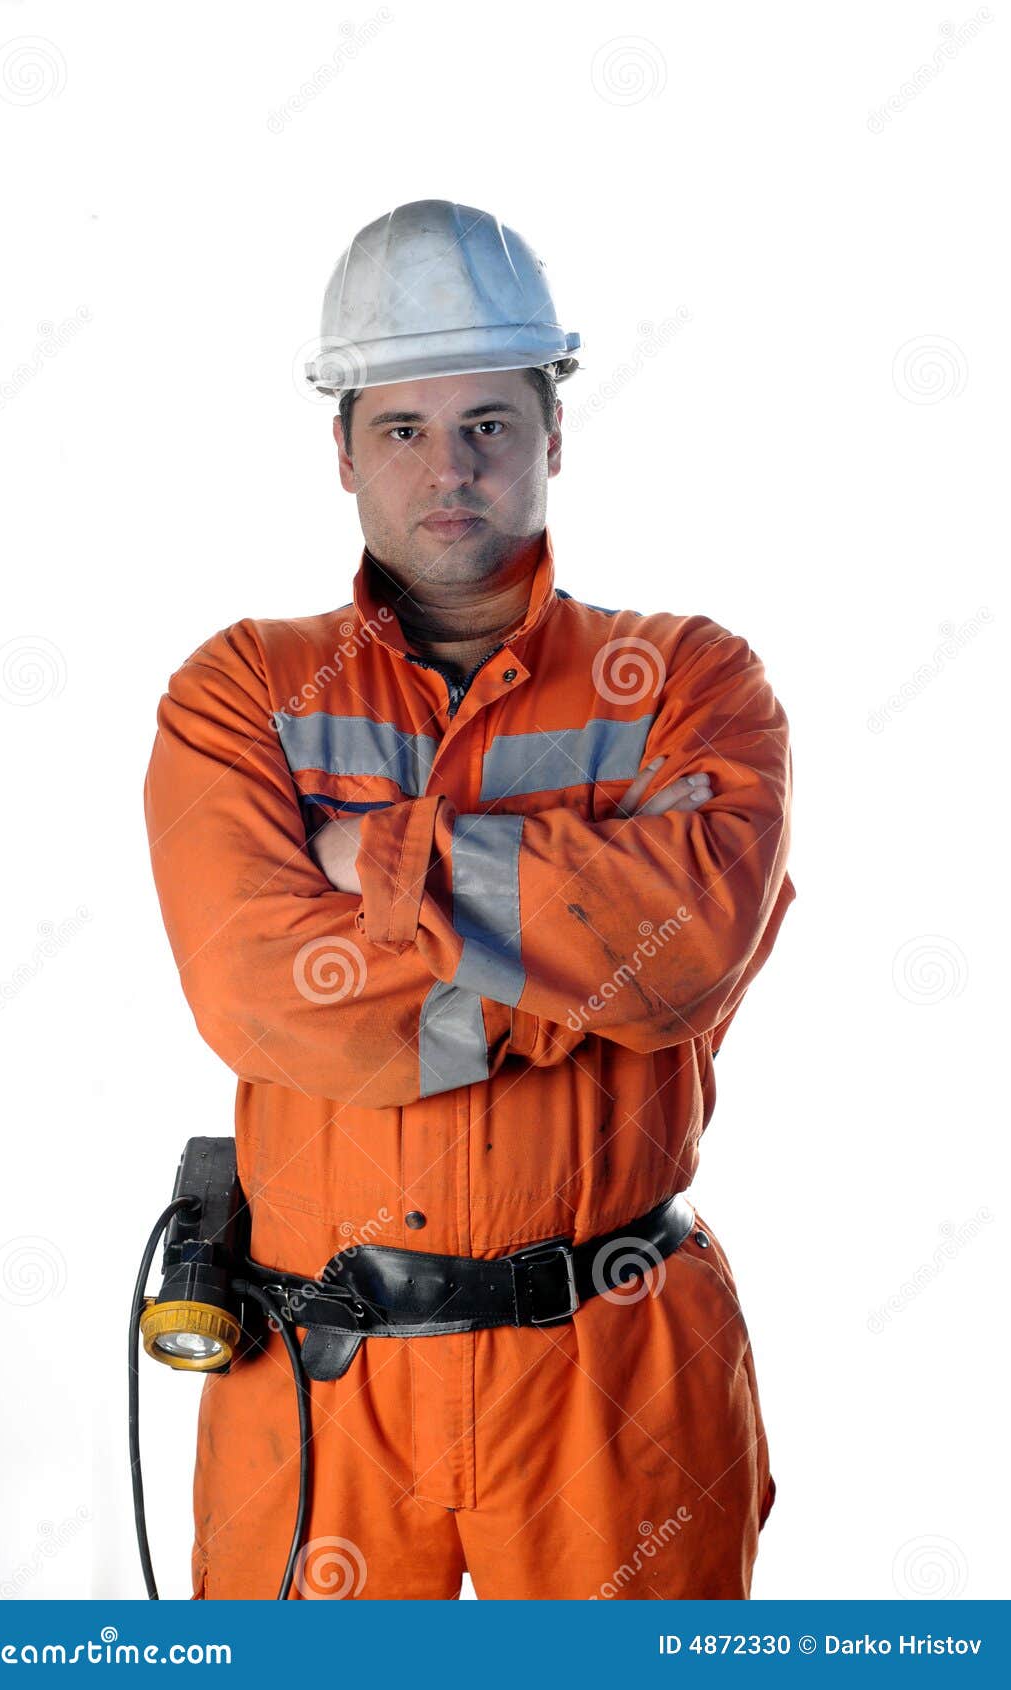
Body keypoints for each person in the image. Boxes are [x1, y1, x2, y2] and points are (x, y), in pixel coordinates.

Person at [143, 199, 796, 1600]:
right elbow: (264, 1001)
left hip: (614, 1376)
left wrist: (380, 867)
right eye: (405, 428)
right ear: (342, 450)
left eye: (490, 424)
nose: (453, 468)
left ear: (553, 432)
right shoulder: (242, 692)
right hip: (322, 1382)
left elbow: (686, 956)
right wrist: (581, 987)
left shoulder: (693, 679)